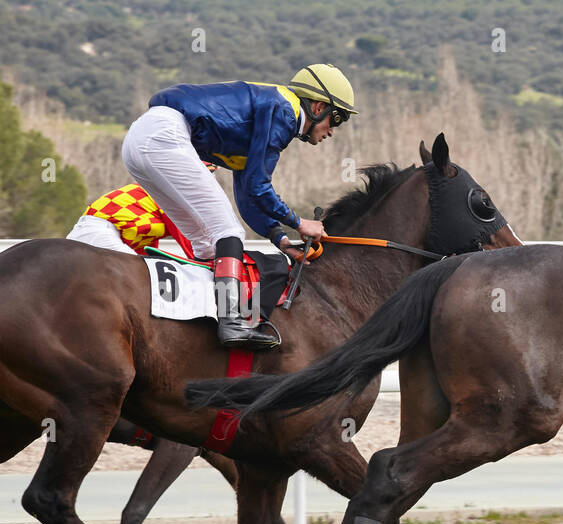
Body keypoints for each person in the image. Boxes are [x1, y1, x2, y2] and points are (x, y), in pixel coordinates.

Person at [120, 64, 358, 349]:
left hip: (141, 141)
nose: (332, 130)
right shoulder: (285, 111)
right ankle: (231, 323)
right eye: (337, 118)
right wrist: (298, 222)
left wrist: (279, 239)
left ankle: (195, 318)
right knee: (227, 230)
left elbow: (248, 195)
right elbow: (259, 187)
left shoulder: (270, 113)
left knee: (207, 243)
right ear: (318, 106)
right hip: (164, 137)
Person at [67, 166, 216, 258]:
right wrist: (211, 264)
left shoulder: (157, 190)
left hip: (85, 233)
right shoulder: (169, 192)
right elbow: (189, 238)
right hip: (99, 235)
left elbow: (146, 248)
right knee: (144, 281)